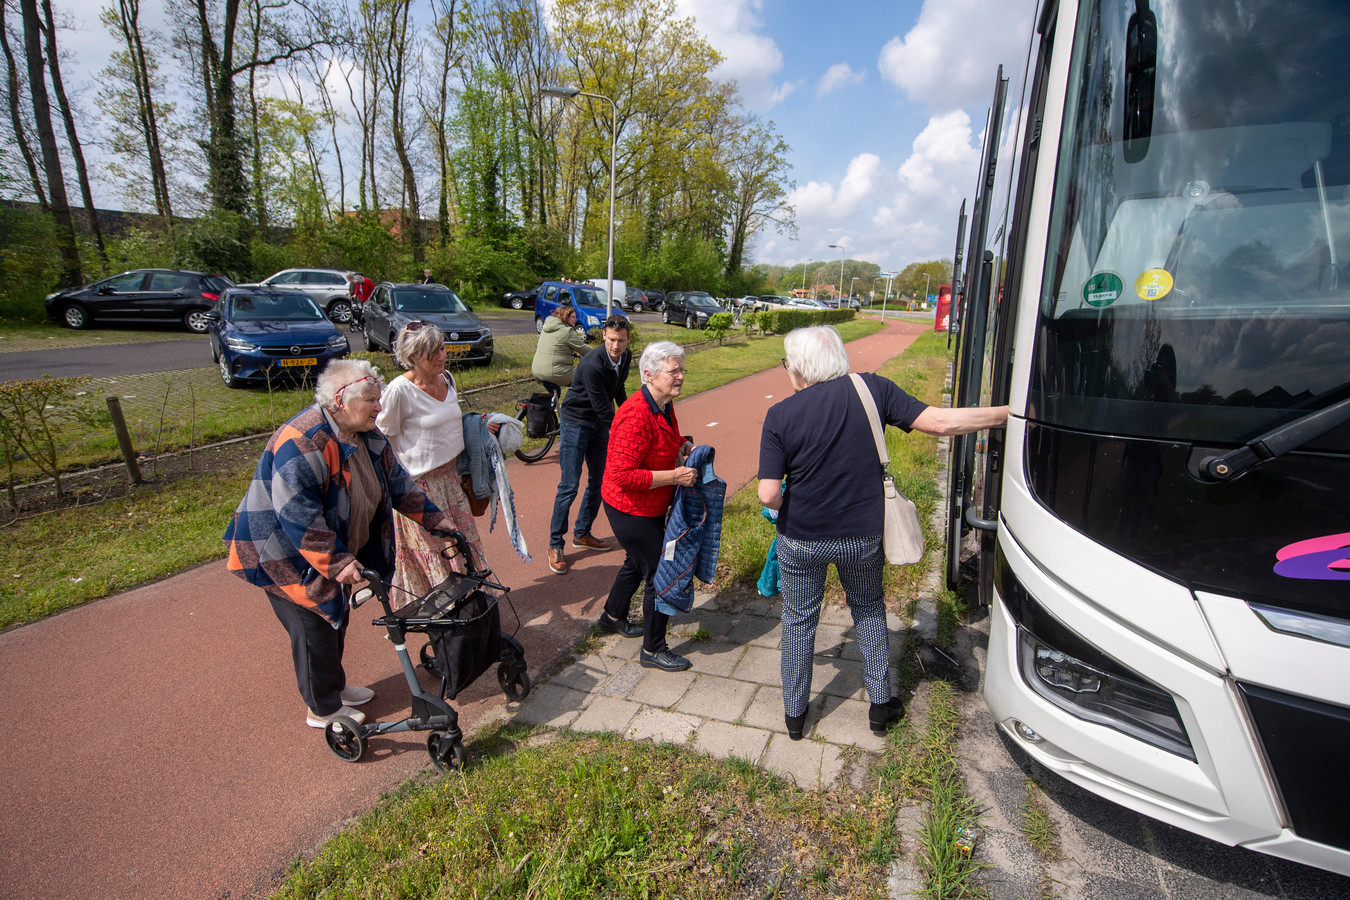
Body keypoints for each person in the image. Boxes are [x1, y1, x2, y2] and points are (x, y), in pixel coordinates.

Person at [757, 326, 1009, 739]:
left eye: (788, 363)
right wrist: (1008, 414)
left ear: (799, 367)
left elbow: (768, 494)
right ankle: (879, 706)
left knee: (799, 620)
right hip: (861, 536)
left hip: (801, 539)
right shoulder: (871, 389)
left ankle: (795, 715)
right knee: (869, 609)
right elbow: (940, 422)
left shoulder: (780, 415)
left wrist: (788, 504)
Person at [223, 359, 456, 728]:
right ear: (339, 401)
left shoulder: (367, 433)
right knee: (313, 626)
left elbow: (398, 482)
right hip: (283, 554)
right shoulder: (301, 442)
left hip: (326, 546)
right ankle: (323, 709)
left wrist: (434, 518)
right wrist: (337, 562)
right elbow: (298, 515)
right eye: (371, 400)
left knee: (336, 617)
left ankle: (335, 686)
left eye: (379, 398)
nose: (379, 407)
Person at [376, 322, 494, 601]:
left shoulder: (448, 378)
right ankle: (446, 609)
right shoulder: (399, 391)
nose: (442, 356)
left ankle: (472, 602)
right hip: (420, 488)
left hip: (452, 480)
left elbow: (450, 423)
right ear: (413, 357)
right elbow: (379, 440)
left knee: (464, 543)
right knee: (438, 552)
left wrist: (480, 426)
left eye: (442, 348)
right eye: (433, 352)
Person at [599, 340, 698, 671]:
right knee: (660, 574)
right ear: (649, 374)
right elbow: (623, 475)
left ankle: (613, 615)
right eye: (673, 371)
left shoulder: (664, 403)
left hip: (650, 504)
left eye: (682, 370)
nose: (680, 376)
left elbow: (667, 436)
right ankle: (653, 649)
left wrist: (682, 445)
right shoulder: (635, 414)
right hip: (629, 508)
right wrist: (675, 476)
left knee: (636, 560)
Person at [546, 314, 632, 574]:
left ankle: (582, 532)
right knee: (569, 485)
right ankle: (555, 544)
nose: (616, 346)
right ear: (603, 335)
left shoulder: (626, 357)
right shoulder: (592, 364)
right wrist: (624, 431)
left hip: (598, 424)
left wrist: (631, 415)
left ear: (628, 339)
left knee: (601, 480)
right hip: (576, 422)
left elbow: (618, 390)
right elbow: (603, 408)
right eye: (611, 339)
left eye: (621, 341)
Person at [530, 304, 588, 404]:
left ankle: (550, 410)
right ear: (566, 317)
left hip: (537, 370)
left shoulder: (547, 327)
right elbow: (585, 350)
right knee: (584, 380)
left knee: (555, 393)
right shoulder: (567, 331)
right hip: (556, 372)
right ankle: (573, 407)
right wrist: (601, 353)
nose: (576, 319)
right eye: (573, 317)